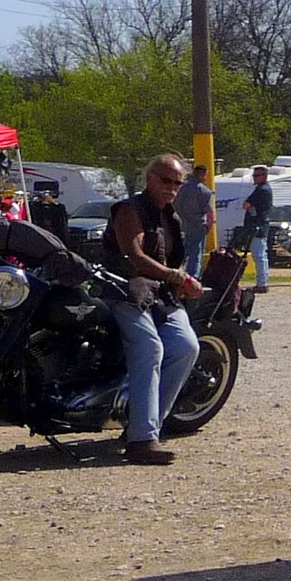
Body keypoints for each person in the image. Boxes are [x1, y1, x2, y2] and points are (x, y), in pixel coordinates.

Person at [105, 154, 203, 465]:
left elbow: (171, 262)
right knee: (150, 347)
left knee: (186, 346)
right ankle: (142, 439)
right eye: (166, 180)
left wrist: (178, 281)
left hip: (160, 297)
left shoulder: (170, 218)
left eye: (177, 183)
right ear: (149, 179)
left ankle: (143, 425)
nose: (171, 187)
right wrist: (178, 277)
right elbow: (134, 256)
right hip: (125, 290)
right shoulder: (130, 210)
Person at [172, 162, 216, 279]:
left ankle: (177, 274)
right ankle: (192, 278)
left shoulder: (180, 188)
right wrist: (208, 227)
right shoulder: (204, 191)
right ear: (203, 175)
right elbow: (210, 213)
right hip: (197, 225)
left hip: (179, 224)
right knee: (196, 253)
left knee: (180, 252)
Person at [242, 164, 273, 294]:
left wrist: (249, 207)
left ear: (264, 176)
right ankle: (262, 281)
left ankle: (262, 283)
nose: (254, 178)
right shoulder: (261, 189)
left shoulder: (262, 190)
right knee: (261, 255)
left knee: (259, 255)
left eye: (257, 175)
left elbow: (247, 204)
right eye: (253, 175)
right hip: (260, 225)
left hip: (258, 226)